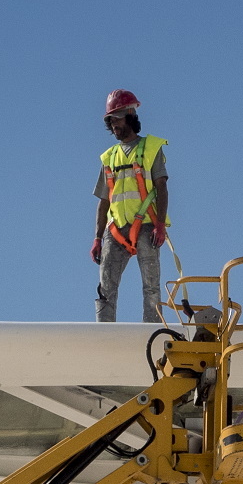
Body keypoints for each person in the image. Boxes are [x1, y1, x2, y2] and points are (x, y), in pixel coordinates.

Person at [92, 89, 170, 322]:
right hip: (115, 230)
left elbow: (162, 187)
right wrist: (97, 237)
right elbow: (104, 200)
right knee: (106, 287)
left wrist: (159, 225)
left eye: (116, 118)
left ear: (130, 115)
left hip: (146, 225)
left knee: (151, 285)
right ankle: (103, 334)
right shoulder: (109, 157)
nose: (113, 124)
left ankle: (152, 330)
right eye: (110, 120)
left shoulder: (150, 148)